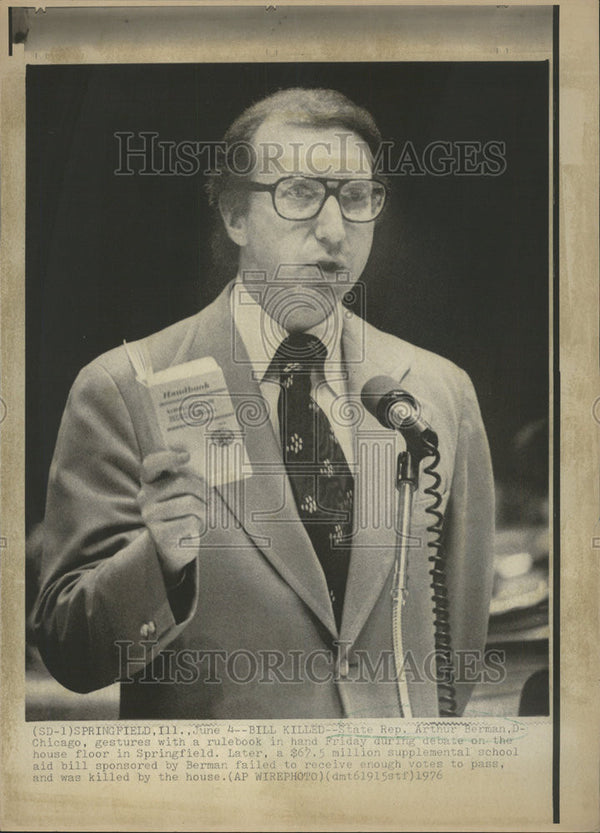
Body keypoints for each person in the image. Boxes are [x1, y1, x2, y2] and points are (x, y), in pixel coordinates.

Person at [33, 88, 495, 719]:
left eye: (355, 199)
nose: (333, 230)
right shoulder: (125, 387)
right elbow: (71, 651)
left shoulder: (437, 391)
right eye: (300, 193)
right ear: (235, 217)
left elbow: (458, 643)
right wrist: (160, 561)